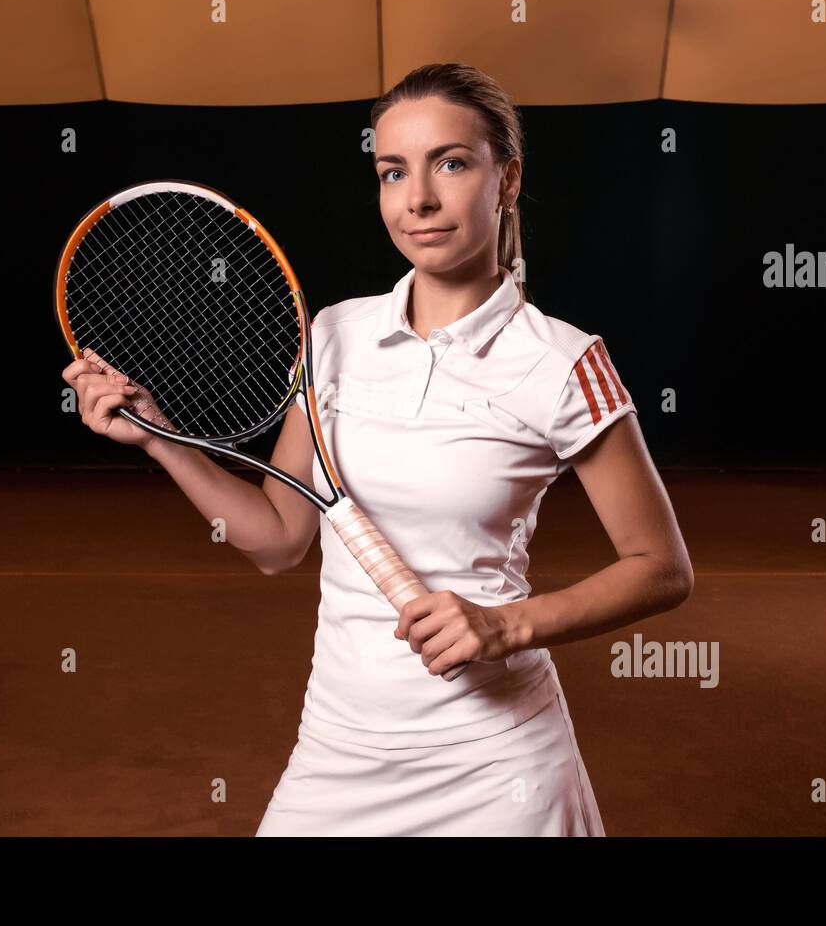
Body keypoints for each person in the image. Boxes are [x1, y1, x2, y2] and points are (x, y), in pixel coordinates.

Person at [63, 62, 693, 836]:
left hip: (496, 764)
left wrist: (508, 627)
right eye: (393, 172)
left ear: (507, 179)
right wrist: (161, 439)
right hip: (341, 749)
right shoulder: (333, 334)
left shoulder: (563, 361)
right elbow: (278, 541)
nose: (418, 199)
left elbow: (662, 569)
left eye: (451, 164)